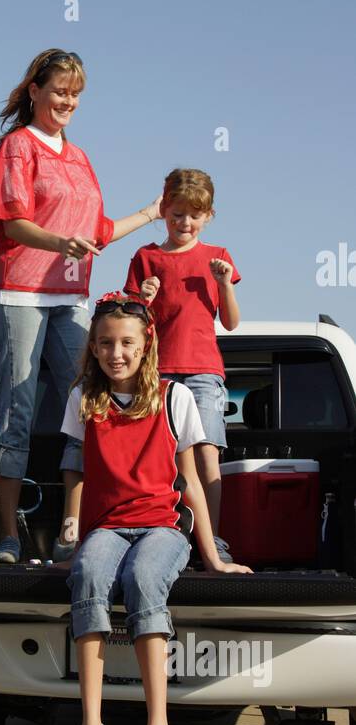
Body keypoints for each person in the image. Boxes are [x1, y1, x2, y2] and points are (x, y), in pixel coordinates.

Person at [60, 293, 250, 725]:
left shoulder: (174, 398)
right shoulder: (84, 397)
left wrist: (211, 555)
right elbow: (74, 474)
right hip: (107, 527)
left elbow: (189, 482)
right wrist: (70, 533)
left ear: (146, 345)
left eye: (125, 342)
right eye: (104, 343)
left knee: (145, 581)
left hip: (161, 529)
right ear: (93, 349)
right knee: (89, 577)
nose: (114, 353)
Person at [0, 48, 164, 565]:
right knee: (17, 407)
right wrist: (60, 243)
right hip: (19, 291)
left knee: (89, 399)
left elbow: (98, 232)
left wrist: (152, 213)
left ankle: (74, 525)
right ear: (35, 91)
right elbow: (10, 223)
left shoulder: (80, 158)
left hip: (71, 297)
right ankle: (10, 535)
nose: (67, 101)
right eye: (59, 90)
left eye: (75, 95)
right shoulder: (18, 146)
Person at [124, 168, 241, 556]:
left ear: (209, 216)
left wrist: (224, 283)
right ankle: (156, 538)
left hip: (204, 372)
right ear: (163, 211)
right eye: (176, 214)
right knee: (159, 463)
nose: (184, 223)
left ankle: (215, 542)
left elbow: (231, 321)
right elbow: (132, 325)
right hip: (157, 373)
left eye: (193, 215)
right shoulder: (147, 257)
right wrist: (143, 298)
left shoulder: (218, 258)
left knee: (207, 454)